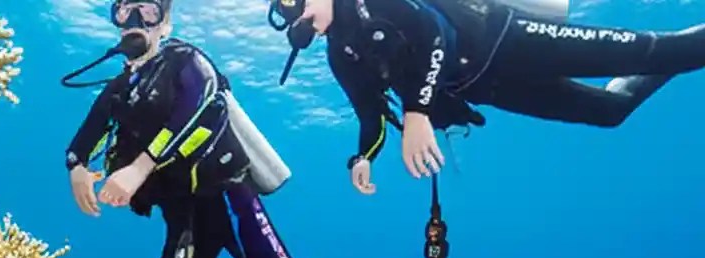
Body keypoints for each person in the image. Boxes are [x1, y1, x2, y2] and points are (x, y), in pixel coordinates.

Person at [61, 0, 522, 258]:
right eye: (125, 11)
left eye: (148, 10)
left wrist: (139, 167)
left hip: (227, 197)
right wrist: (78, 166)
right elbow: (86, 135)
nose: (136, 21)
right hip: (183, 217)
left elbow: (202, 112)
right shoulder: (122, 86)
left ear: (167, 22)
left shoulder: (188, 62)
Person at [268, 0, 705, 188]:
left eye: (300, 3)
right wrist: (363, 157)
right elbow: (370, 113)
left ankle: (678, 51)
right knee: (612, 112)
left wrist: (418, 112)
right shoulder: (342, 56)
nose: (302, 17)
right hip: (491, 86)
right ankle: (672, 59)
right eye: (293, 16)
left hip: (509, 39)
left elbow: (434, 33)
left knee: (658, 51)